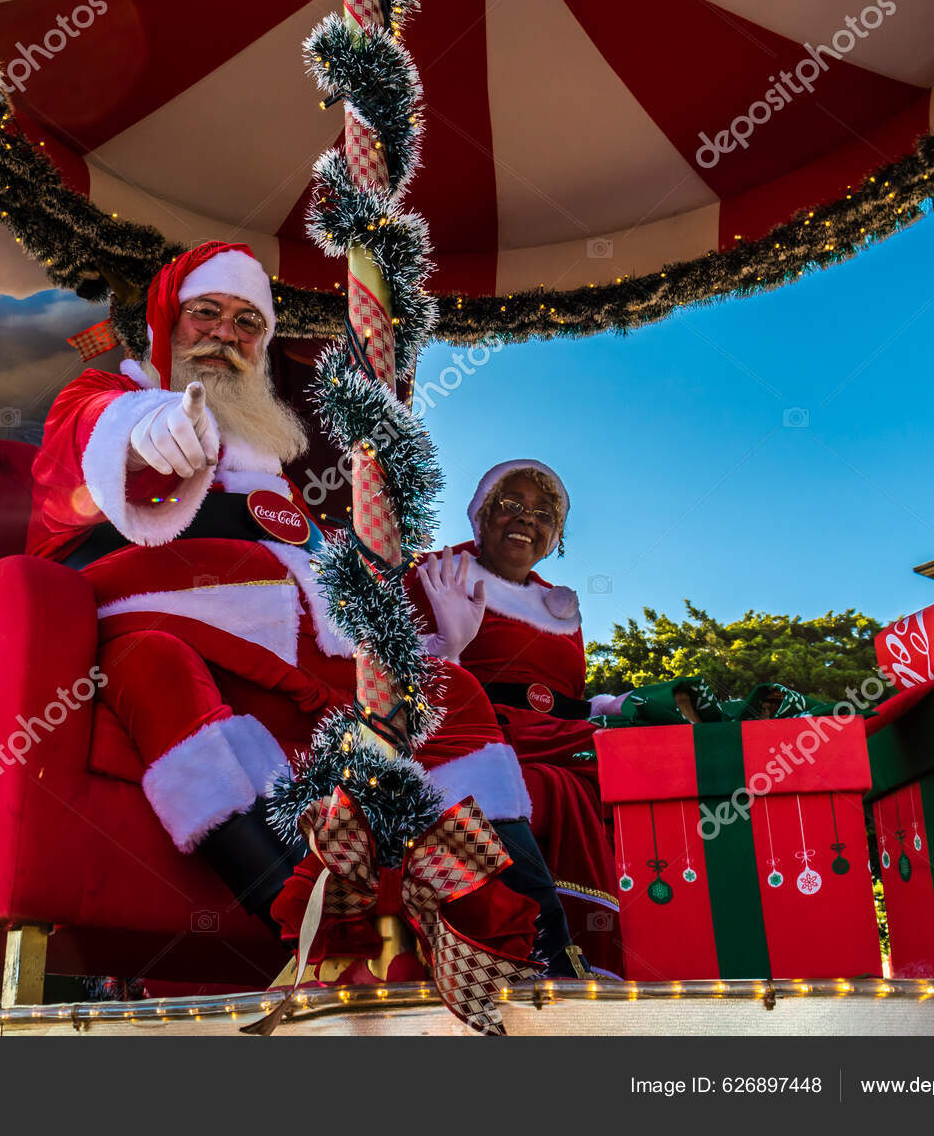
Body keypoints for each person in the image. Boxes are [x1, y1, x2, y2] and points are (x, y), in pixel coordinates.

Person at [28, 242, 546, 947]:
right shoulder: (105, 399)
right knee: (154, 668)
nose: (226, 335)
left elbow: (333, 586)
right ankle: (319, 931)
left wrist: (433, 640)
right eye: (205, 313)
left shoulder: (273, 465)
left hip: (286, 656)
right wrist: (147, 432)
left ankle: (535, 934)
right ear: (165, 323)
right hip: (162, 632)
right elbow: (79, 462)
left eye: (248, 323)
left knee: (449, 690)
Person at [409, 459, 623, 978]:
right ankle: (546, 950)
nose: (527, 518)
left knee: (643, 766)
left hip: (562, 736)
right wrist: (445, 649)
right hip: (479, 732)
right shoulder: (439, 572)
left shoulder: (559, 606)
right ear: (480, 516)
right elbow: (397, 669)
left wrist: (602, 707)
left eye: (544, 512)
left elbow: (565, 694)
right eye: (511, 505)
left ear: (556, 536)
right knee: (547, 783)